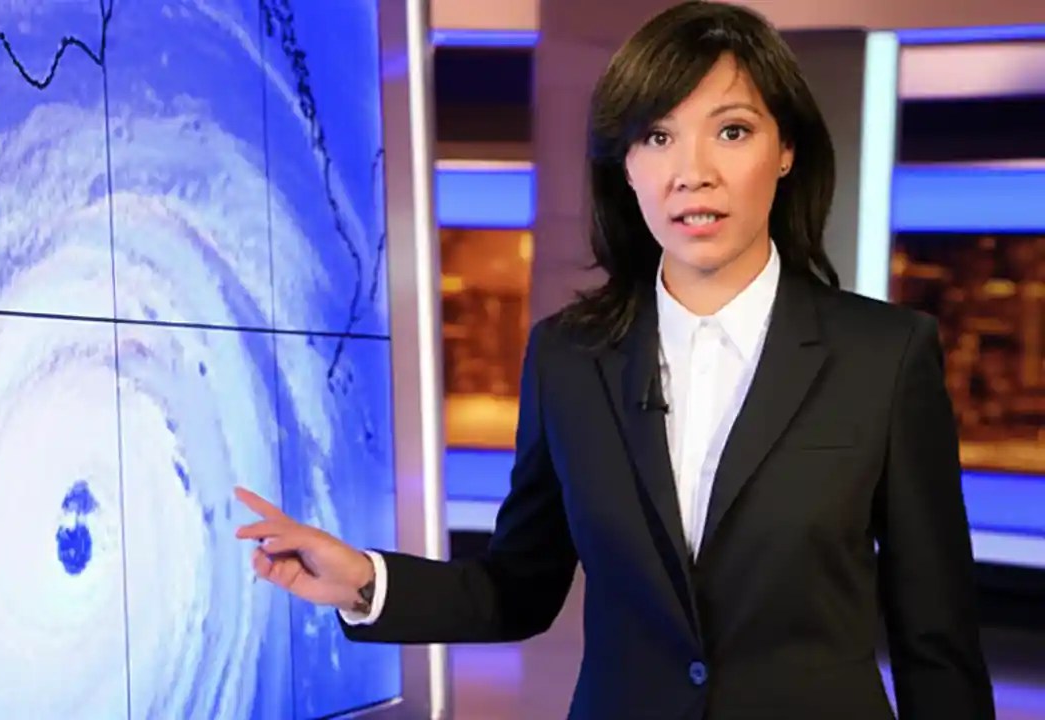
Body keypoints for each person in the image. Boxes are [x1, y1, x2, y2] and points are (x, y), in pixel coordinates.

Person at [235, 1, 996, 717]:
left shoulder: (885, 356)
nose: (691, 171)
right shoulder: (569, 358)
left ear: (786, 149)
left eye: (731, 131)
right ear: (625, 166)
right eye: (657, 137)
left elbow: (936, 639)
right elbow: (519, 588)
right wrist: (366, 582)